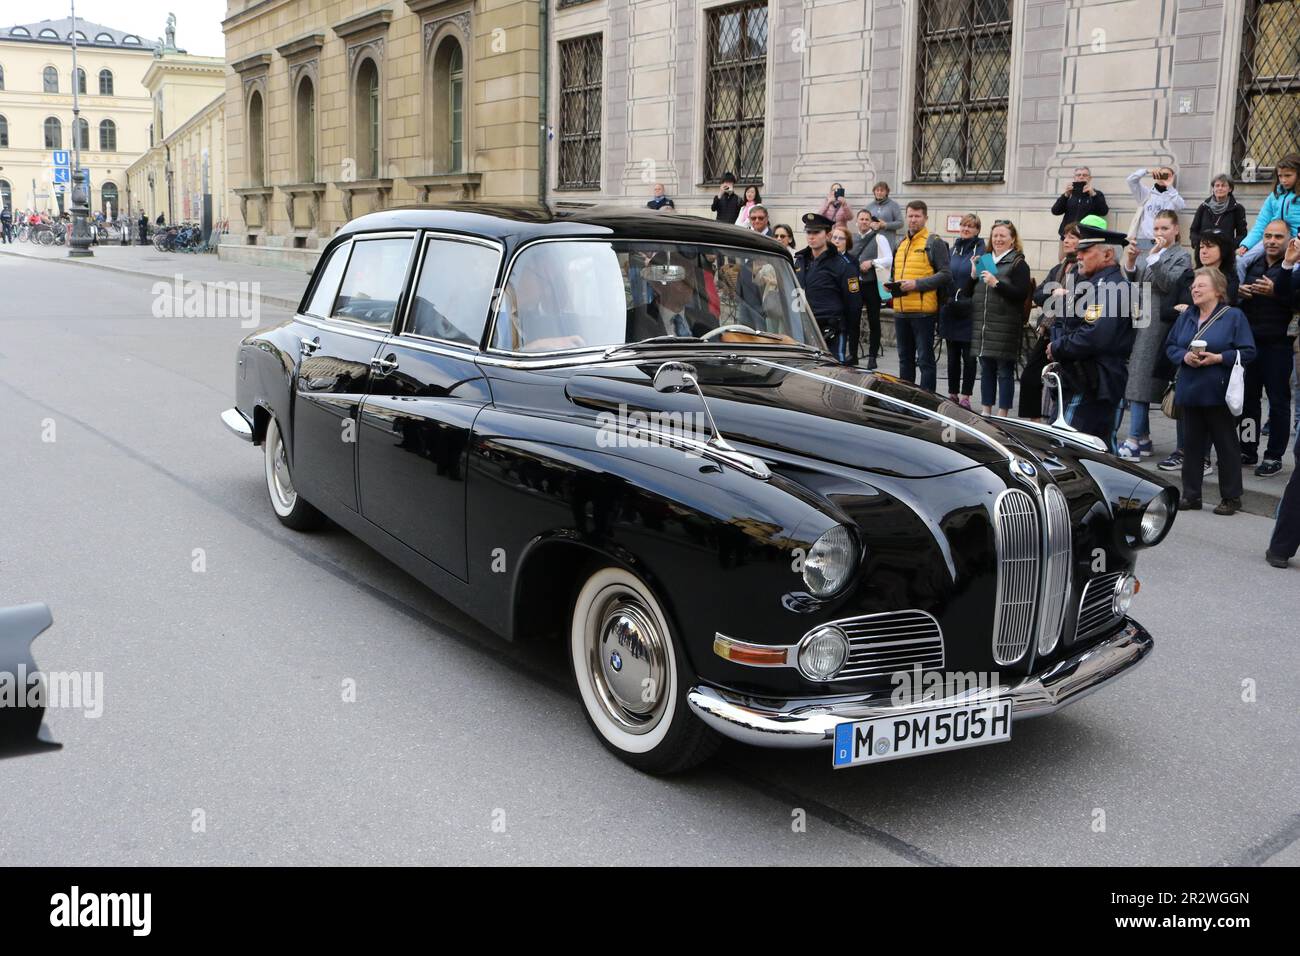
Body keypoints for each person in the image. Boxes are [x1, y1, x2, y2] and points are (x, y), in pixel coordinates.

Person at [1164, 267, 1257, 514]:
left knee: (1226, 446)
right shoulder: (1187, 316)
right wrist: (1184, 357)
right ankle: (1191, 495)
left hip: (1219, 392)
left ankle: (1231, 497)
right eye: (1194, 286)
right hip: (1191, 391)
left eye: (1201, 286)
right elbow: (1170, 346)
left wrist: (1218, 358)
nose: (1194, 289)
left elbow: (1248, 351)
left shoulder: (1234, 316)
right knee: (1191, 447)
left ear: (1218, 290)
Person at [1047, 215, 1137, 450]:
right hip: (1087, 379)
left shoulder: (1111, 287)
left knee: (1069, 447)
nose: (1078, 255)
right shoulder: (1097, 284)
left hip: (1092, 382)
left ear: (1107, 255)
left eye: (1086, 250)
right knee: (1093, 450)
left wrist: (1057, 347)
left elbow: (1095, 334)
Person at [1118, 209, 1192, 460]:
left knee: (1140, 379)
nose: (1159, 233)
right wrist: (1129, 262)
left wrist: (1154, 260)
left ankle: (1134, 439)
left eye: (1164, 229)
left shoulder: (1182, 256)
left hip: (1161, 324)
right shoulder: (1148, 252)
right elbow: (1132, 283)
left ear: (1175, 230)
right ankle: (1144, 437)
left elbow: (1169, 284)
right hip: (1141, 319)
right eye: (1156, 228)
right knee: (1139, 377)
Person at [1237, 219, 1296, 477]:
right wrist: (1239, 292)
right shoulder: (1253, 263)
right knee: (1248, 401)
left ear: (1288, 240)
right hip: (1251, 344)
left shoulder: (1293, 269)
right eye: (1268, 236)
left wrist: (1276, 293)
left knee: (1278, 402)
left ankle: (1274, 455)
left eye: (1278, 237)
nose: (1272, 241)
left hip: (1278, 345)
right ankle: (1247, 448)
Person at [970, 220, 1031, 417]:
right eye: (995, 236)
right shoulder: (986, 260)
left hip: (1005, 325)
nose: (998, 239)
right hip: (984, 324)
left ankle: (1003, 414)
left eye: (1002, 236)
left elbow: (1021, 294)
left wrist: (997, 283)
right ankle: (986, 411)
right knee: (986, 368)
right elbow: (970, 291)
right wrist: (973, 275)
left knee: (1005, 371)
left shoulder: (1018, 263)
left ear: (1012, 239)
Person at [890, 200, 951, 391]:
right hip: (901, 311)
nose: (913, 219)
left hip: (923, 313)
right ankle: (906, 400)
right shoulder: (901, 244)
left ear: (925, 217)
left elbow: (946, 274)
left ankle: (927, 403)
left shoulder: (934, 242)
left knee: (925, 361)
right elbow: (895, 272)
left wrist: (916, 284)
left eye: (917, 216)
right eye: (910, 216)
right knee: (904, 360)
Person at [1024, 223, 1083, 421]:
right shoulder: (1058, 268)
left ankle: (1058, 420)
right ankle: (1035, 421)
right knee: (1030, 376)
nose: (1066, 240)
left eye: (1072, 237)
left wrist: (1063, 296)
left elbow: (1078, 300)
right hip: (1047, 328)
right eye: (1065, 236)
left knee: (1059, 380)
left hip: (1066, 331)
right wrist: (1053, 292)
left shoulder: (1082, 270)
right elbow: (1038, 294)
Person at [793, 212, 860, 364]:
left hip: (831, 330)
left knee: (835, 371)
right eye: (809, 232)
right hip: (804, 328)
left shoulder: (842, 265)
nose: (811, 236)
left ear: (828, 235)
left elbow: (854, 304)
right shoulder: (800, 261)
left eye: (816, 232)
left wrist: (848, 333)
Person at [940, 214, 985, 407]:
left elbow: (989, 279)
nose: (966, 229)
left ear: (977, 230)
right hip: (951, 308)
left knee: (969, 357)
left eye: (971, 226)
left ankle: (966, 396)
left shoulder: (983, 251)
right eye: (964, 225)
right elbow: (944, 274)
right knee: (952, 357)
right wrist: (947, 298)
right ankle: (952, 393)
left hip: (970, 310)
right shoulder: (952, 249)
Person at [1236, 153, 1299, 268]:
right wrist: (1246, 244)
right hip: (1273, 238)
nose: (1283, 180)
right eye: (1280, 176)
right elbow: (1262, 223)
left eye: (1288, 175)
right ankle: (1240, 286)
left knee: (1294, 269)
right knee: (1239, 260)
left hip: (1295, 242)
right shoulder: (1274, 195)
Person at [850, 208, 893, 369]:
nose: (864, 222)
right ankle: (852, 355)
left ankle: (872, 357)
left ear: (871, 222)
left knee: (874, 321)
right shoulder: (852, 239)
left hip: (871, 284)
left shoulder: (879, 238)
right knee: (853, 320)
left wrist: (872, 263)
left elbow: (889, 259)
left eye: (867, 219)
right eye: (861, 219)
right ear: (857, 222)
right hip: (855, 285)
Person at [1127, 166, 1185, 252]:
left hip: (1164, 242)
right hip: (1145, 240)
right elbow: (1131, 181)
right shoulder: (1146, 193)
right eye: (1161, 174)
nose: (1163, 177)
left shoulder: (1173, 196)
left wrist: (1169, 186)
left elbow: (1181, 206)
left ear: (1172, 178)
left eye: (1166, 175)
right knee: (1142, 264)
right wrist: (1147, 171)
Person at [1189, 173, 1247, 255]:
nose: (1220, 188)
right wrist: (1200, 245)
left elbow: (1242, 235)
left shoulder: (1237, 209)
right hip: (1204, 253)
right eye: (1217, 185)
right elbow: (1193, 231)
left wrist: (1227, 247)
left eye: (1223, 186)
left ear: (1230, 189)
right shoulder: (1203, 207)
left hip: (1225, 254)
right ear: (1213, 188)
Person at [831, 224, 864, 362]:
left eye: (841, 238)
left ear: (847, 242)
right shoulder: (827, 258)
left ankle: (852, 354)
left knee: (851, 328)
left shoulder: (851, 260)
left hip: (849, 301)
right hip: (833, 304)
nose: (837, 241)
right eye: (834, 237)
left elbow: (853, 284)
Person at [1050, 166, 1108, 240]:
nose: (1081, 177)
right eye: (1078, 175)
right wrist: (1065, 195)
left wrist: (1093, 194)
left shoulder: (1097, 194)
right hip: (1067, 237)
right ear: (1074, 178)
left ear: (1090, 178)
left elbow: (1103, 212)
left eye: (1084, 175)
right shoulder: (1069, 194)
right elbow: (1055, 211)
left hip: (1086, 237)